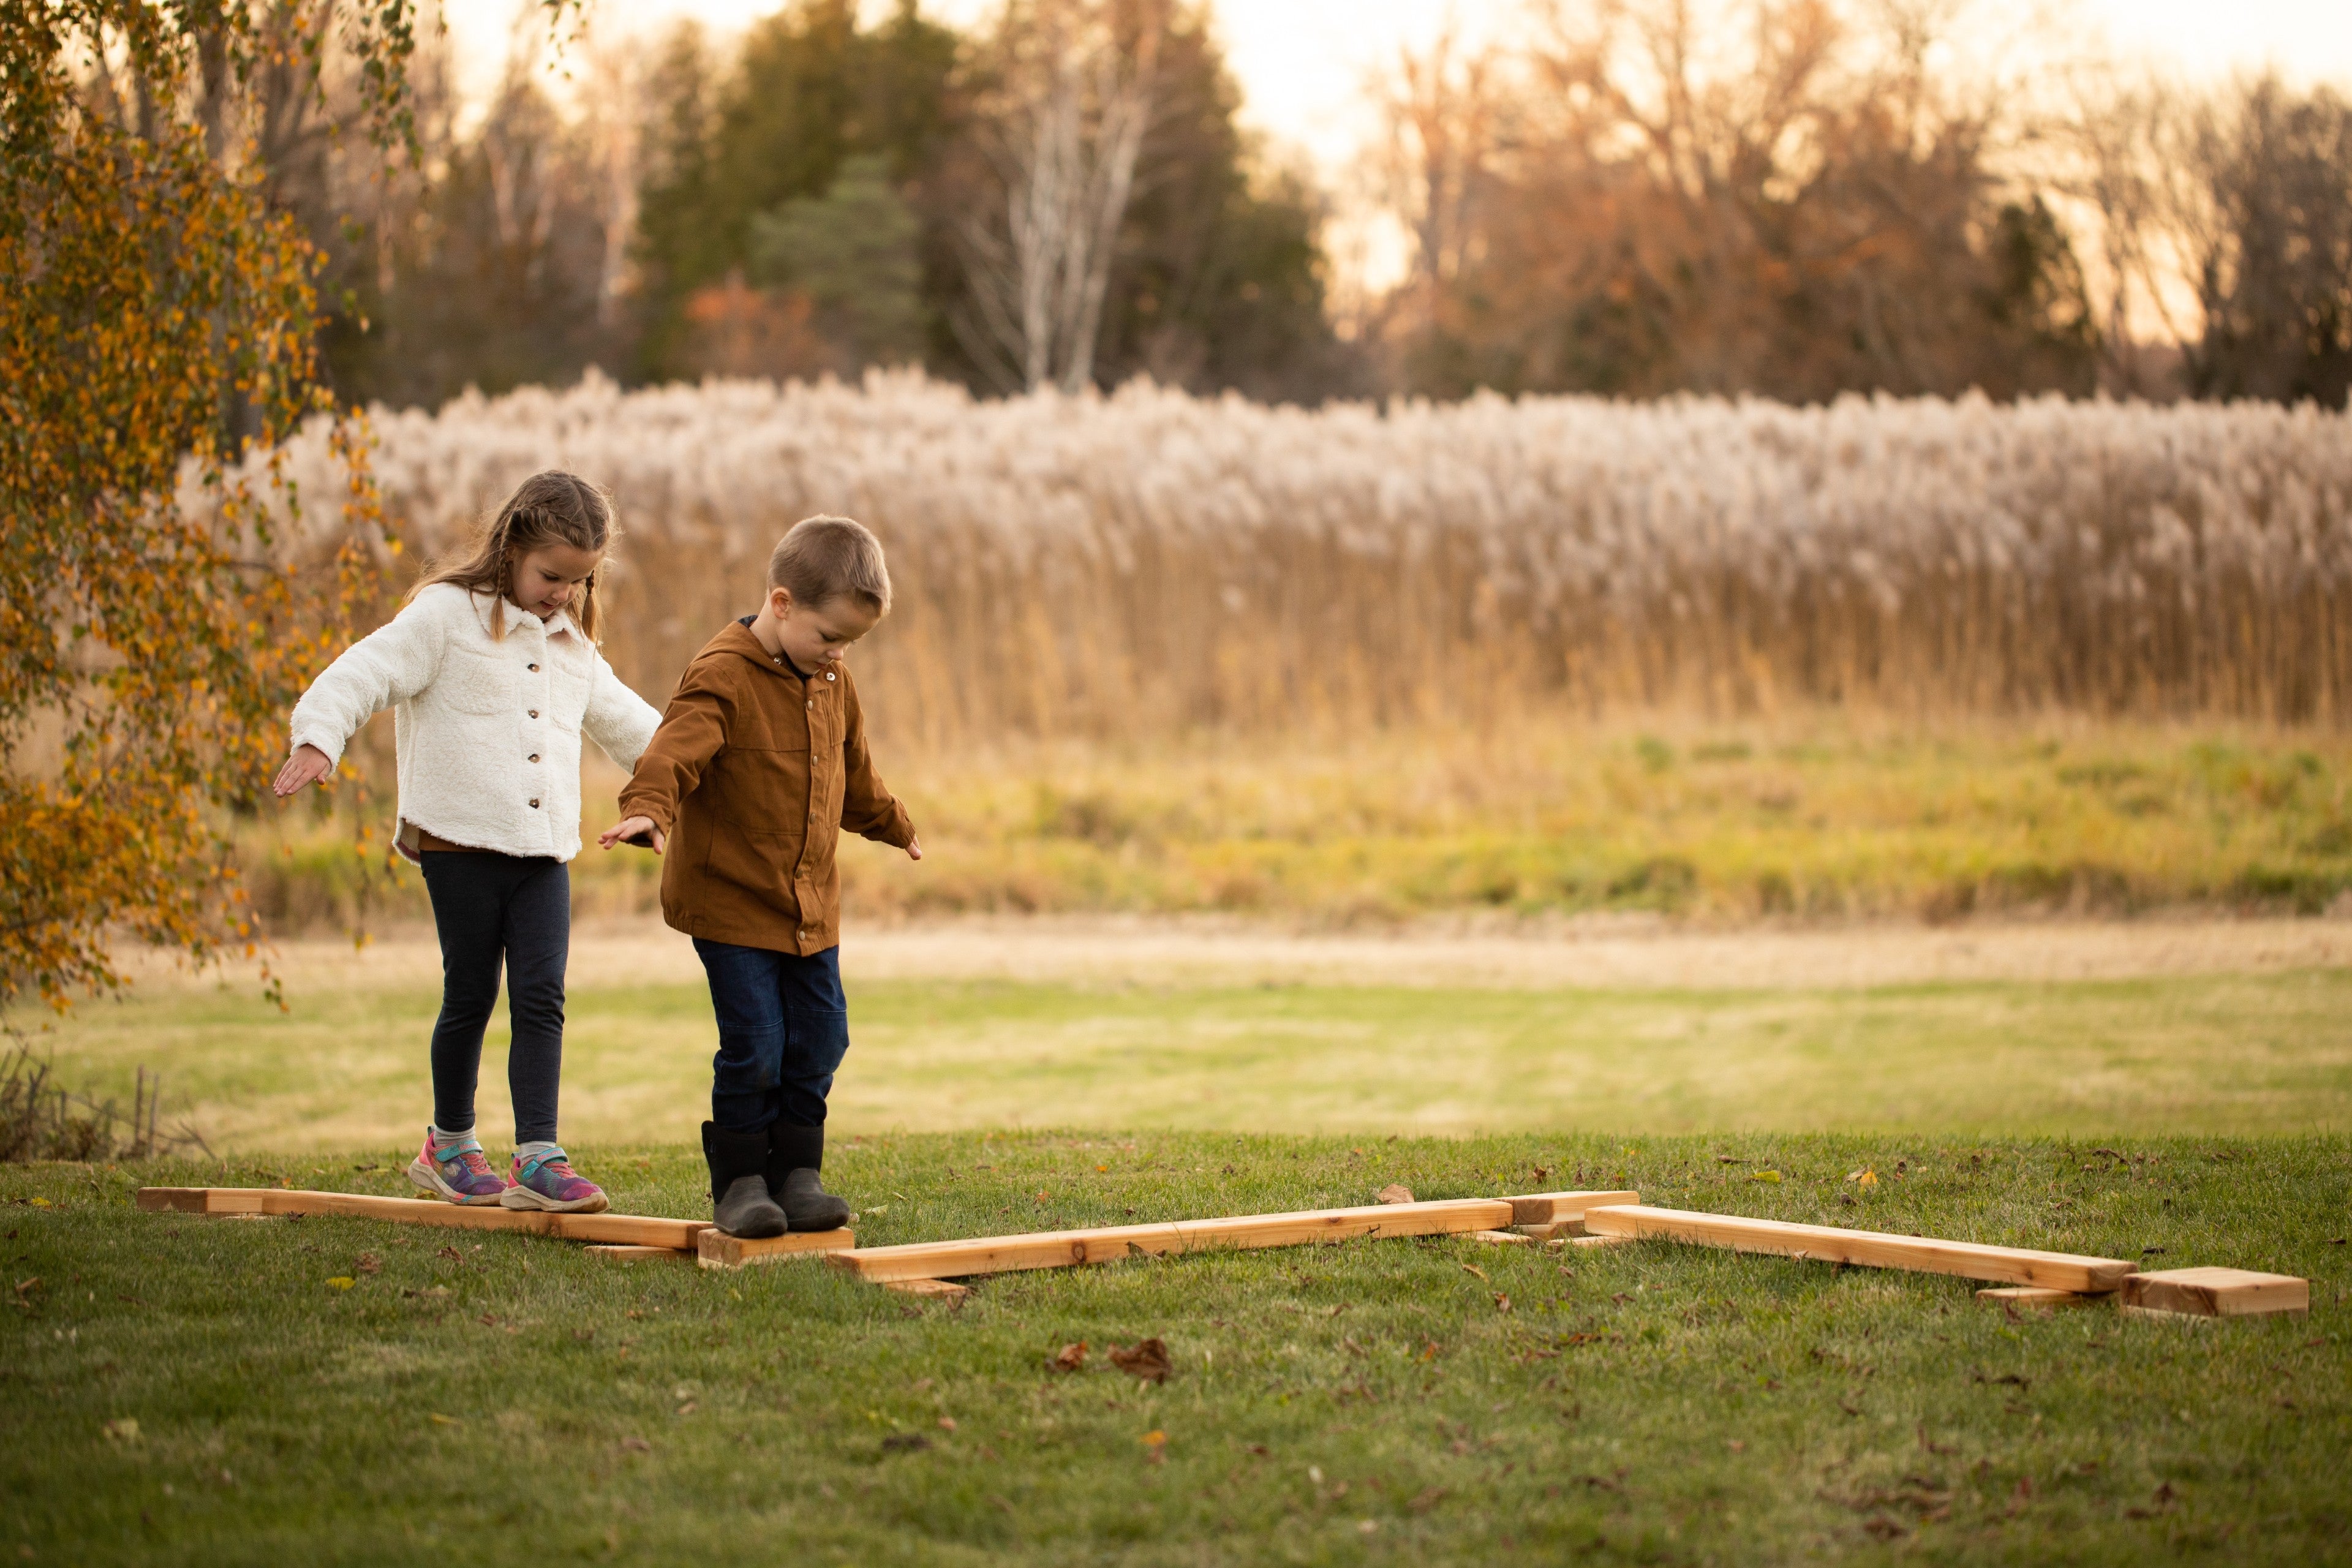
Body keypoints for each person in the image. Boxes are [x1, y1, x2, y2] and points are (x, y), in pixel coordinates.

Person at [276, 471, 662, 1215]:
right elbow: (365, 670)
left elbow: (634, 727)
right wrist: (320, 736)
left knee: (542, 996)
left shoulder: (571, 644)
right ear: (513, 544)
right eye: (551, 576)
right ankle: (449, 1145)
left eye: (577, 582)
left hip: (544, 851)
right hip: (459, 844)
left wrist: (703, 774)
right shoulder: (446, 616)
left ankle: (539, 1157)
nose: (561, 594)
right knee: (473, 992)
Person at [602, 514, 921, 1238]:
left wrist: (892, 822)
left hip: (810, 906)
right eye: (829, 636)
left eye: (849, 643)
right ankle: (742, 1182)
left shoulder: (831, 678)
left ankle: (797, 1174)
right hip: (732, 904)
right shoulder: (723, 674)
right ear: (781, 604)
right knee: (757, 1043)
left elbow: (854, 771)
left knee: (822, 1035)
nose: (838, 653)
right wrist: (649, 810)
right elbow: (671, 753)